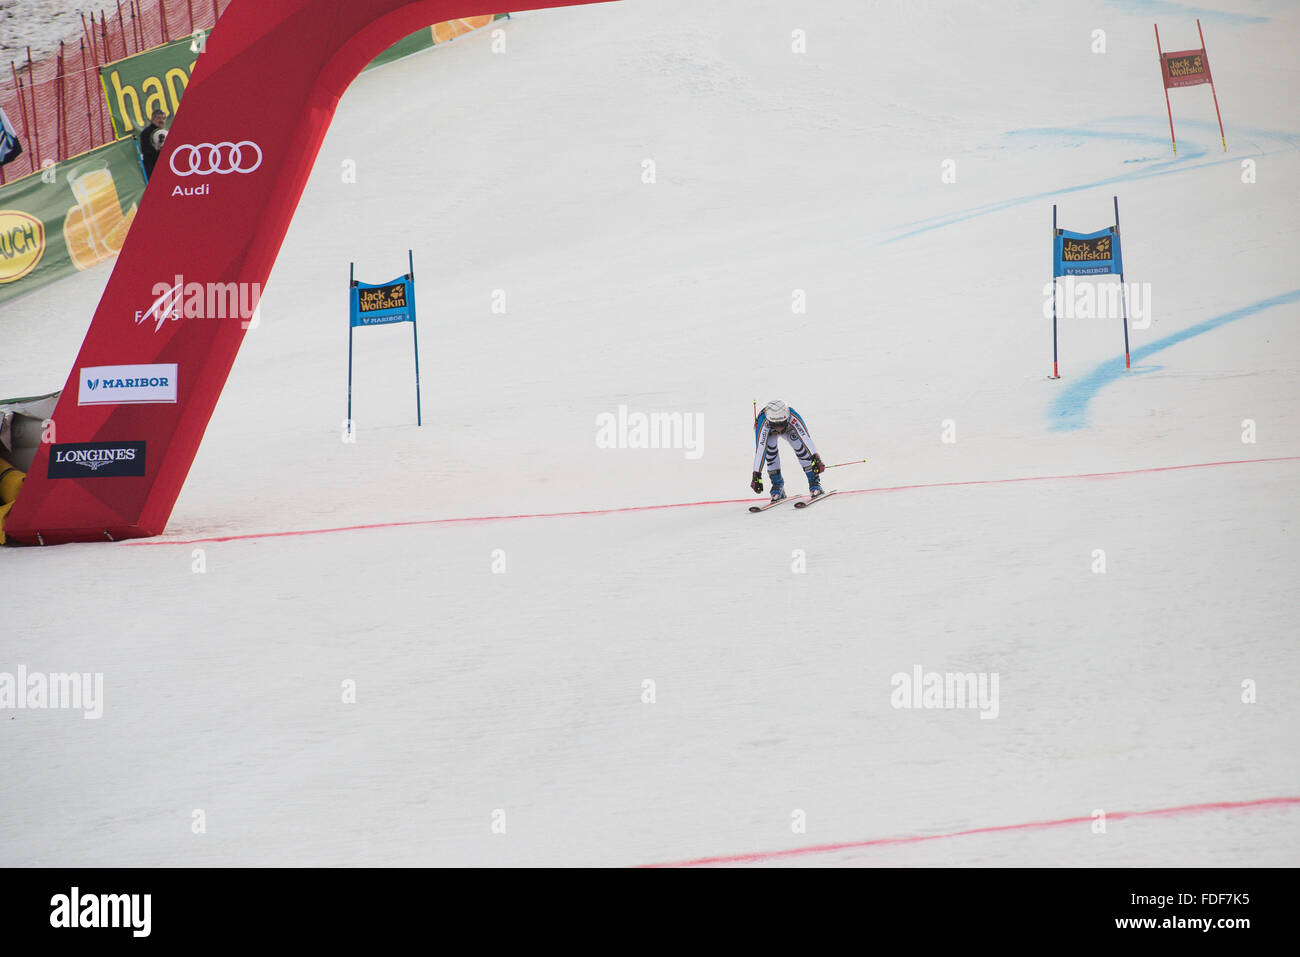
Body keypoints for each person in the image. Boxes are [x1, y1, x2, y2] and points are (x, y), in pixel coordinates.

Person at [751, 399, 825, 502]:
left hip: (789, 429)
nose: (779, 428)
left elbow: (805, 437)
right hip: (769, 432)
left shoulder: (793, 416)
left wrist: (816, 457)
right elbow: (760, 449)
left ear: (787, 417)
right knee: (770, 453)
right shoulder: (763, 421)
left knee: (801, 450)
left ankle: (814, 483)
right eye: (775, 424)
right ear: (769, 420)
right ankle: (777, 486)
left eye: (782, 423)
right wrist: (756, 475)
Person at [138, 108, 169, 180]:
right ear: (152, 120)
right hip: (152, 168)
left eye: (163, 118)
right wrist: (156, 149)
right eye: (159, 118)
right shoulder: (146, 133)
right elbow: (145, 150)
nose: (161, 121)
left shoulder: (165, 132)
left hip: (164, 168)